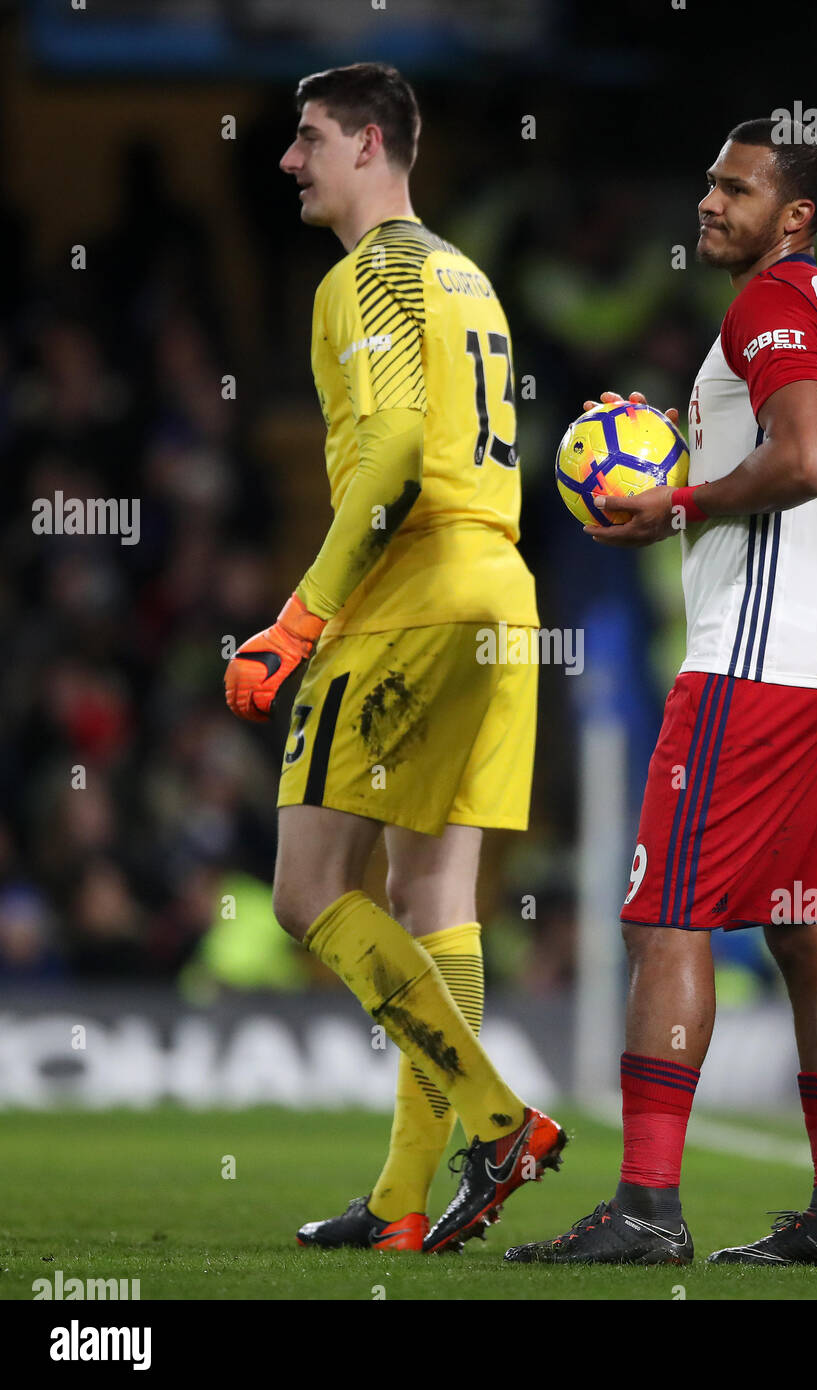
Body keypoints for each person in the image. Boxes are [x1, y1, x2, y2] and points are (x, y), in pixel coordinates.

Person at [506, 118, 817, 1266]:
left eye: (737, 187)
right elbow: (807, 450)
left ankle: (645, 1210)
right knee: (814, 936)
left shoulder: (765, 304)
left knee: (663, 915)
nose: (710, 202)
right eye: (708, 183)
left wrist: (679, 502)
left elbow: (808, 458)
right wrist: (698, 445)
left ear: (797, 215)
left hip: (753, 666)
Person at [224, 62, 564, 1255]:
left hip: (409, 597)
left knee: (309, 891)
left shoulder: (363, 273)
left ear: (370, 144)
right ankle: (404, 1199)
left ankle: (497, 1117)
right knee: (435, 897)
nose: (288, 159)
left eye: (307, 137)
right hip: (503, 596)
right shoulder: (468, 275)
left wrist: (302, 615)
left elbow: (398, 451)